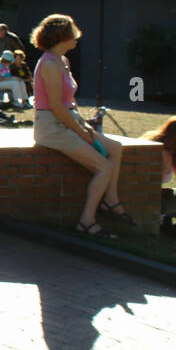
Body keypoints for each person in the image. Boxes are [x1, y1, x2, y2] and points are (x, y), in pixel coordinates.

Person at [31, 13, 127, 238]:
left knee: (116, 148)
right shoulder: (49, 63)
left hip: (68, 120)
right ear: (61, 36)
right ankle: (87, 221)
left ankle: (111, 201)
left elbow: (68, 102)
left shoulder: (62, 61)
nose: (77, 37)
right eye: (73, 33)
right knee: (104, 167)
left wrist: (83, 124)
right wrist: (80, 131)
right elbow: (55, 105)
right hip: (52, 126)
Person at [138, 116, 176, 237]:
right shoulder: (164, 156)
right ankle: (162, 219)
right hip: (146, 203)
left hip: (144, 199)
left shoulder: (163, 148)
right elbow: (147, 188)